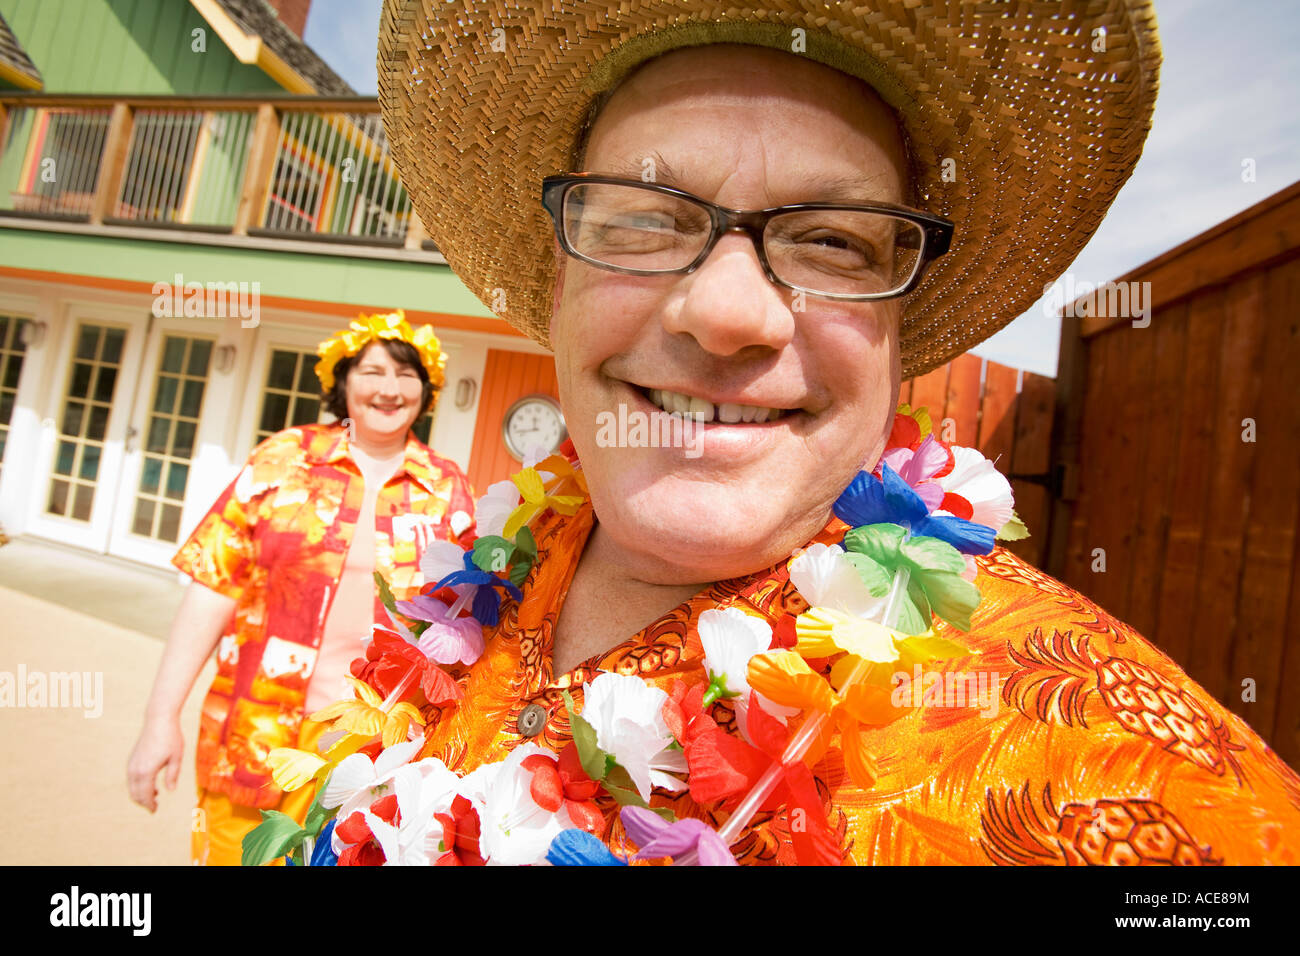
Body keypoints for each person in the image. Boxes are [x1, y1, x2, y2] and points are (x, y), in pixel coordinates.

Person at [281, 0, 1300, 865]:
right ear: (560, 281)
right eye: (642, 215)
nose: (726, 312)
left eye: (829, 240)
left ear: (901, 327)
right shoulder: (469, 577)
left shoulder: (1129, 780)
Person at [126, 312, 475, 865]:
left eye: (407, 375)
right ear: (342, 380)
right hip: (256, 735)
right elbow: (213, 587)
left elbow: (465, 625)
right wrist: (159, 719)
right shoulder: (283, 460)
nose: (390, 389)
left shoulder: (447, 487)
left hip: (374, 755)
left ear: (425, 391)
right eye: (373, 371)